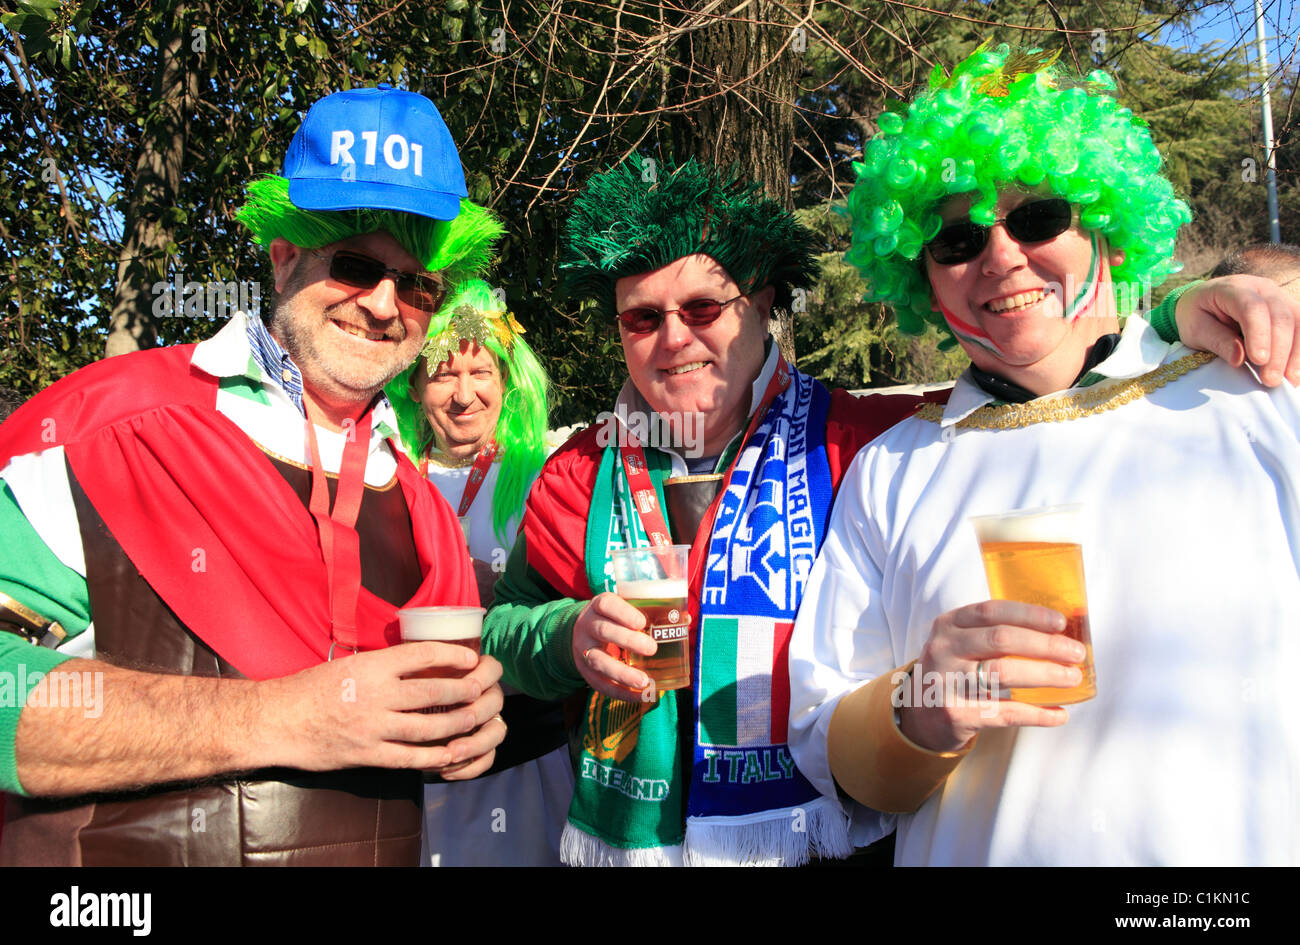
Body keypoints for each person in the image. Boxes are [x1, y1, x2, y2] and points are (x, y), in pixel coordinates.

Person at [481, 154, 1296, 866]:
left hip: (822, 851)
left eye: (703, 309)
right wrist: (564, 637)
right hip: (640, 837)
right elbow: (503, 630)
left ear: (763, 307)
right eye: (641, 319)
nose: (674, 340)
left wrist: (1179, 311)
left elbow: (1057, 386)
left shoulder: (857, 443)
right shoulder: (580, 472)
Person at [787, 45, 1300, 865]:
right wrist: (922, 706)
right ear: (921, 272)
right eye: (955, 241)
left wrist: (1185, 313)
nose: (1000, 256)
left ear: (1104, 225)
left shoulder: (1255, 394)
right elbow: (832, 755)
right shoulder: (894, 468)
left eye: (1036, 218)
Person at [0, 84, 508, 865]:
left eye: (416, 284)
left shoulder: (419, 499)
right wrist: (287, 718)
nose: (383, 304)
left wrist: (479, 718)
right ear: (282, 259)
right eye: (355, 265)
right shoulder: (101, 426)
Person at [385, 279, 573, 865]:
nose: (464, 394)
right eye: (443, 374)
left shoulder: (546, 471)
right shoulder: (382, 476)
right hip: (411, 759)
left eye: (481, 373)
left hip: (525, 751)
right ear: (414, 385)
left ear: (506, 382)